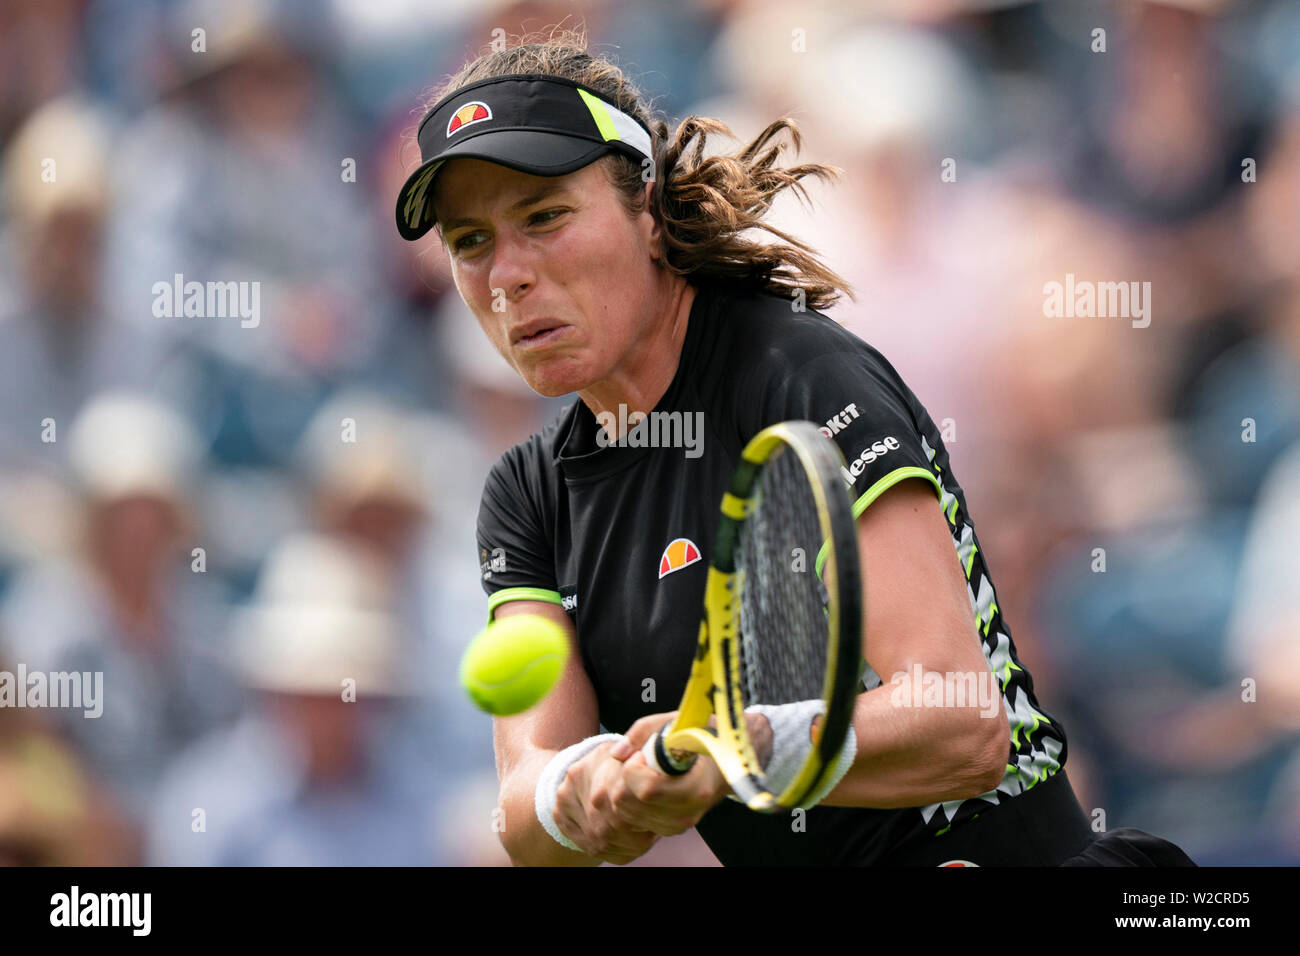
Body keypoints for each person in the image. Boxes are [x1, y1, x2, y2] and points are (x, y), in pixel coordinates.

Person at [393, 31, 1195, 867]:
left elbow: (964, 724)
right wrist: (587, 787)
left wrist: (730, 753)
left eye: (546, 216)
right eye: (470, 242)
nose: (507, 275)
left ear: (651, 214)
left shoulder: (800, 373)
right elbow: (526, 818)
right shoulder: (526, 496)